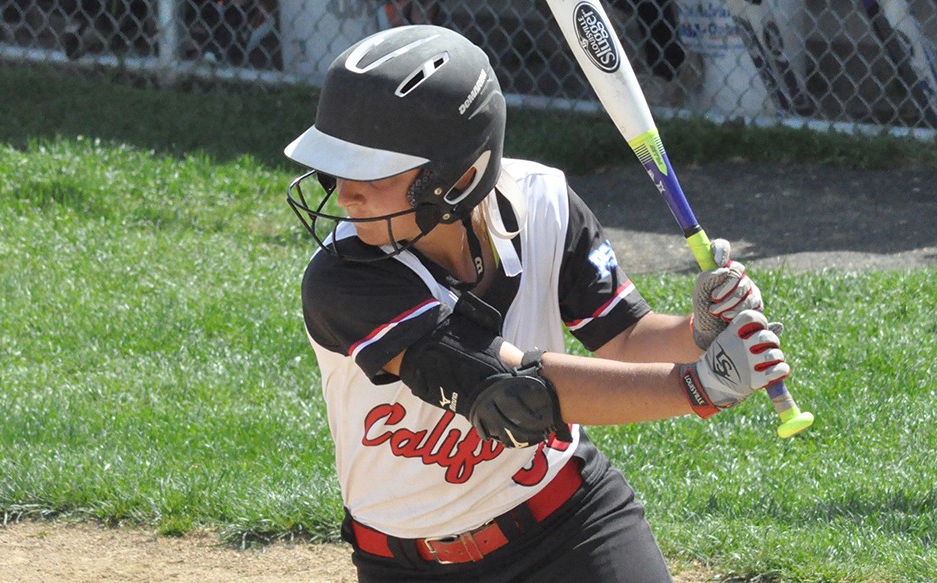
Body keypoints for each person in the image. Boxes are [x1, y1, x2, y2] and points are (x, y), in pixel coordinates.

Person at [283, 24, 786, 582]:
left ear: (458, 176)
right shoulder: (344, 280)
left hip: (569, 522)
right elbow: (515, 395)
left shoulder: (543, 204)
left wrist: (699, 330)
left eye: (372, 170)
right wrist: (695, 387)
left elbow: (623, 336)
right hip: (411, 564)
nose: (345, 190)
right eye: (339, 165)